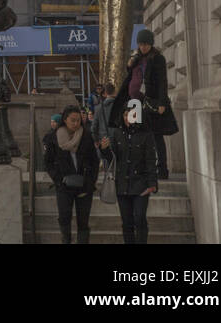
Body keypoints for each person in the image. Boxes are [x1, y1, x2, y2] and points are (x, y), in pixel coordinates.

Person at [110, 29, 178, 179]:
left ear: (151, 44)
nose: (143, 47)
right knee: (136, 135)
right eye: (141, 44)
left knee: (156, 136)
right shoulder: (137, 58)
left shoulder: (157, 58)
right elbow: (131, 74)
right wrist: (130, 64)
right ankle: (139, 168)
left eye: (146, 44)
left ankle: (162, 170)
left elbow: (162, 82)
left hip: (151, 102)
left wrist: (162, 103)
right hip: (135, 102)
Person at [100, 100, 158, 244]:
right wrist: (105, 149)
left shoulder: (146, 135)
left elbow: (151, 160)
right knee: (127, 222)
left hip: (141, 185)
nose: (128, 118)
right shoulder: (117, 133)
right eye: (126, 115)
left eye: (132, 115)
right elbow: (113, 158)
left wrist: (152, 184)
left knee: (139, 218)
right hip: (122, 185)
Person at [43, 104, 99, 245]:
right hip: (64, 185)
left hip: (84, 185)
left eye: (78, 120)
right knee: (64, 217)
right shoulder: (54, 137)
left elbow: (94, 160)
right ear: (65, 120)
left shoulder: (86, 135)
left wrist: (90, 180)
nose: (76, 123)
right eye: (72, 120)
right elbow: (48, 162)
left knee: (83, 220)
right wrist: (58, 179)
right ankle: (66, 239)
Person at [91, 84, 117, 151]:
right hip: (118, 141)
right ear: (115, 92)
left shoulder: (98, 108)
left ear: (105, 92)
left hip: (103, 142)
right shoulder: (120, 106)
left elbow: (93, 128)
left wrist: (96, 140)